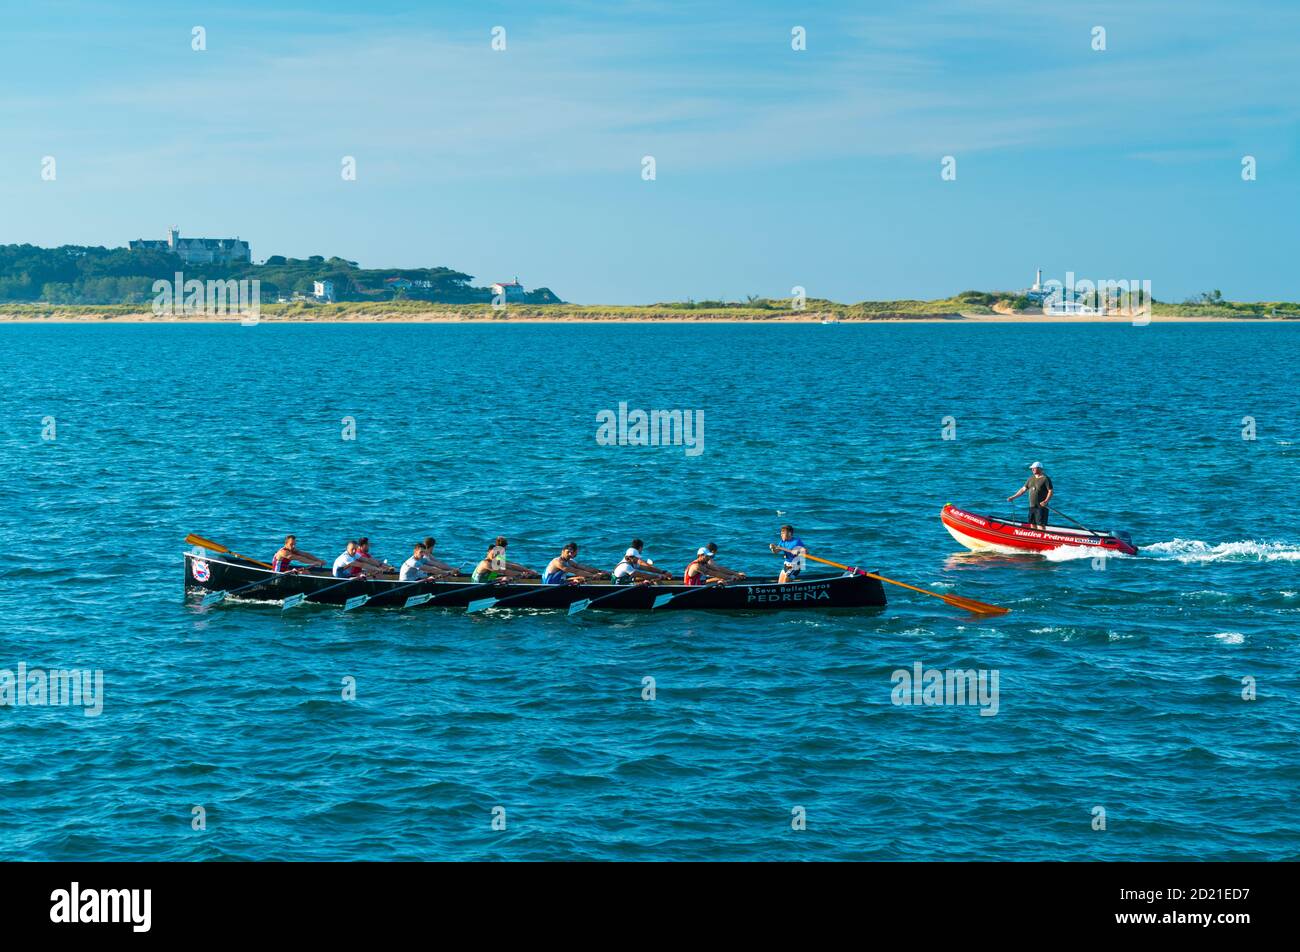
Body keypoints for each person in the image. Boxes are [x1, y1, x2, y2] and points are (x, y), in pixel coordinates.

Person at [1008, 462, 1054, 529]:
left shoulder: (1045, 479)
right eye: (1032, 469)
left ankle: (1041, 538)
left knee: (1040, 525)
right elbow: (1023, 489)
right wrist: (1013, 497)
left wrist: (1046, 501)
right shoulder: (1030, 479)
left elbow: (1050, 491)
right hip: (1032, 506)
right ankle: (1034, 538)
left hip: (1041, 507)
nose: (1032, 470)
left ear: (1039, 469)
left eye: (1034, 468)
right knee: (1032, 524)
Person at [471, 537, 536, 583]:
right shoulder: (485, 564)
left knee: (509, 577)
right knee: (507, 578)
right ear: (489, 553)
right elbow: (504, 571)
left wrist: (528, 570)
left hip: (487, 581)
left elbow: (511, 565)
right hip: (477, 586)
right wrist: (522, 574)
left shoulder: (495, 560)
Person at [542, 542, 609, 585]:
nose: (570, 554)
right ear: (562, 551)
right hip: (549, 585)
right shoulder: (557, 562)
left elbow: (584, 567)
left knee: (582, 579)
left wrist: (599, 571)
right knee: (581, 577)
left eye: (572, 553)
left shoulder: (570, 561)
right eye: (568, 552)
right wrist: (593, 576)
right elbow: (575, 571)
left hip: (560, 583)